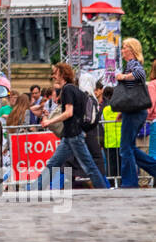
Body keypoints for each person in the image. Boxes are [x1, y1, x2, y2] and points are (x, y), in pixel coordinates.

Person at [29, 62, 111, 192]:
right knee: (54, 164)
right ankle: (34, 188)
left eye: (55, 73)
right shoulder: (72, 89)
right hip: (70, 136)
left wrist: (50, 122)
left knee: (88, 166)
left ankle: (102, 189)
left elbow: (68, 113)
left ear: (62, 74)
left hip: (74, 135)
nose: (53, 76)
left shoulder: (68, 89)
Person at [114, 37, 156, 187]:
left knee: (125, 148)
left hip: (134, 112)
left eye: (125, 47)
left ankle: (129, 184)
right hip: (134, 111)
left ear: (131, 50)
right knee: (129, 147)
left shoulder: (133, 64)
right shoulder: (130, 64)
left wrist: (123, 77)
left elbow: (139, 74)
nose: (123, 50)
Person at [101, 86, 122, 185]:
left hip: (109, 142)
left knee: (111, 166)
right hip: (121, 141)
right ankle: (121, 182)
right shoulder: (121, 108)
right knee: (121, 164)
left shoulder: (105, 110)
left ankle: (112, 184)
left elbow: (102, 124)